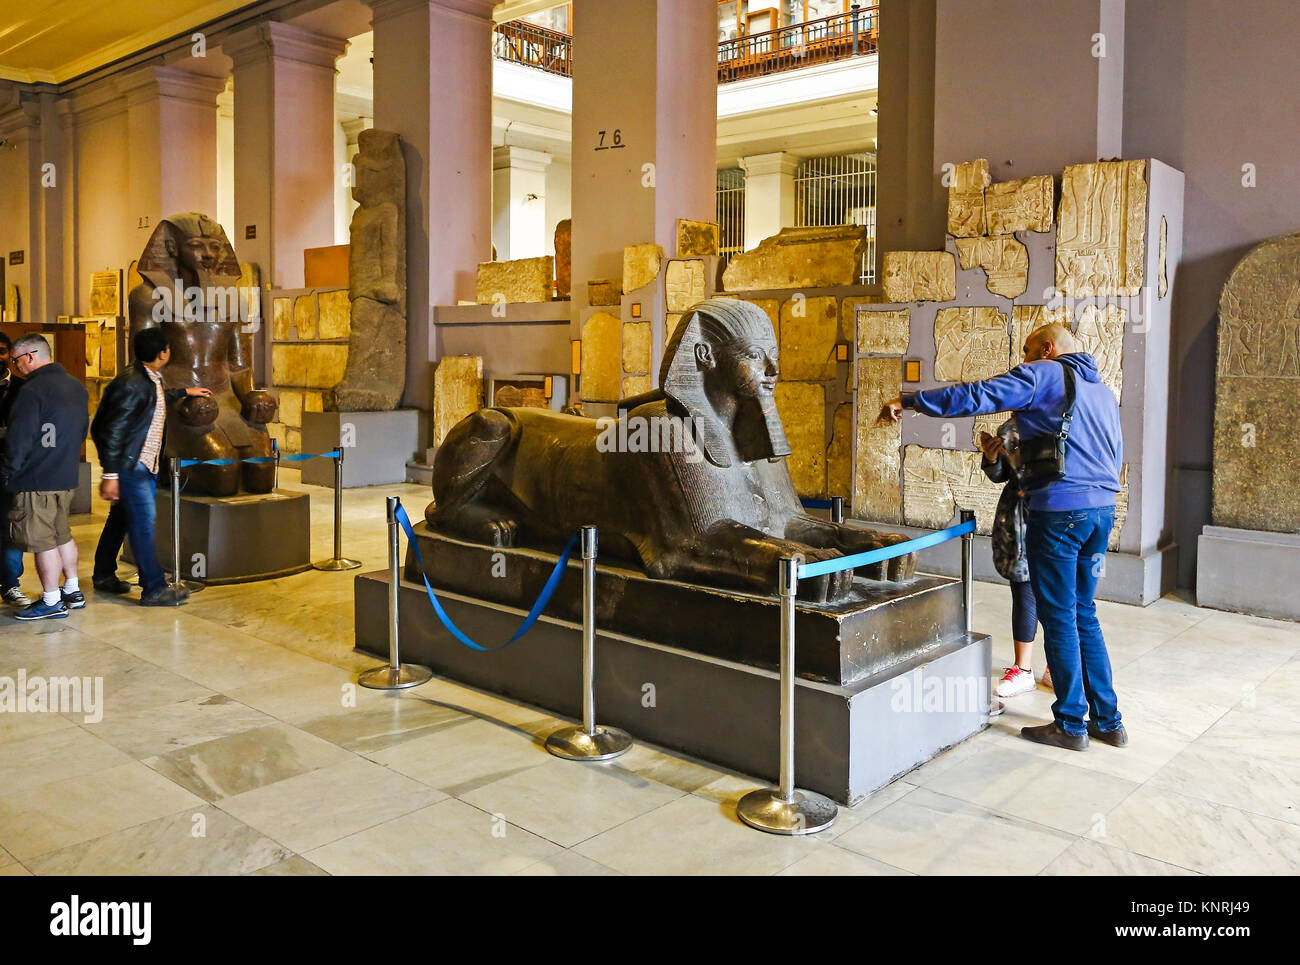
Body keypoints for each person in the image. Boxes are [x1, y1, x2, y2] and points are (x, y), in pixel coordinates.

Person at [880, 322, 1127, 751]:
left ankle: (1070, 725)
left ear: (1047, 350)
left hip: (1060, 512)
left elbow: (977, 395)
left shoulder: (1045, 374)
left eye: (1028, 353)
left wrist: (909, 399)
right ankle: (1108, 721)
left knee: (1060, 617)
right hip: (1100, 513)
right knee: (1084, 612)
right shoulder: (1102, 393)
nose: (1023, 362)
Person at [90, 327, 212, 606]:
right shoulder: (132, 383)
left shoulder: (144, 379)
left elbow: (150, 403)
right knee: (143, 524)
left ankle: (103, 575)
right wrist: (111, 473)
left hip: (138, 464)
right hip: (133, 466)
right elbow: (112, 430)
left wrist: (183, 391)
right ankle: (154, 588)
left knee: (120, 519)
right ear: (163, 353)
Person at [0, 334, 89, 621]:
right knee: (61, 535)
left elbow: (20, 438)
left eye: (15, 360)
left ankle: (51, 600)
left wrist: (7, 471)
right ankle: (72, 590)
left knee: (42, 542)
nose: (15, 366)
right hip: (65, 475)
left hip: (35, 479)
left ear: (30, 356)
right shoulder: (75, 386)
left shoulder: (32, 390)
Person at [978, 418, 1051, 698]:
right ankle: (1023, 669)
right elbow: (1003, 475)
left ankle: (1056, 666)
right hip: (1021, 521)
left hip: (1056, 512)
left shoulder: (1065, 419)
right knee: (1024, 590)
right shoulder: (1013, 427)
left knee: (1060, 595)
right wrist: (993, 457)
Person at [0, 334, 31, 607]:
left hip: (13, 468)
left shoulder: (24, 389)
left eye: (0, 351)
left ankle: (10, 583)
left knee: (10, 527)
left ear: (10, 354)